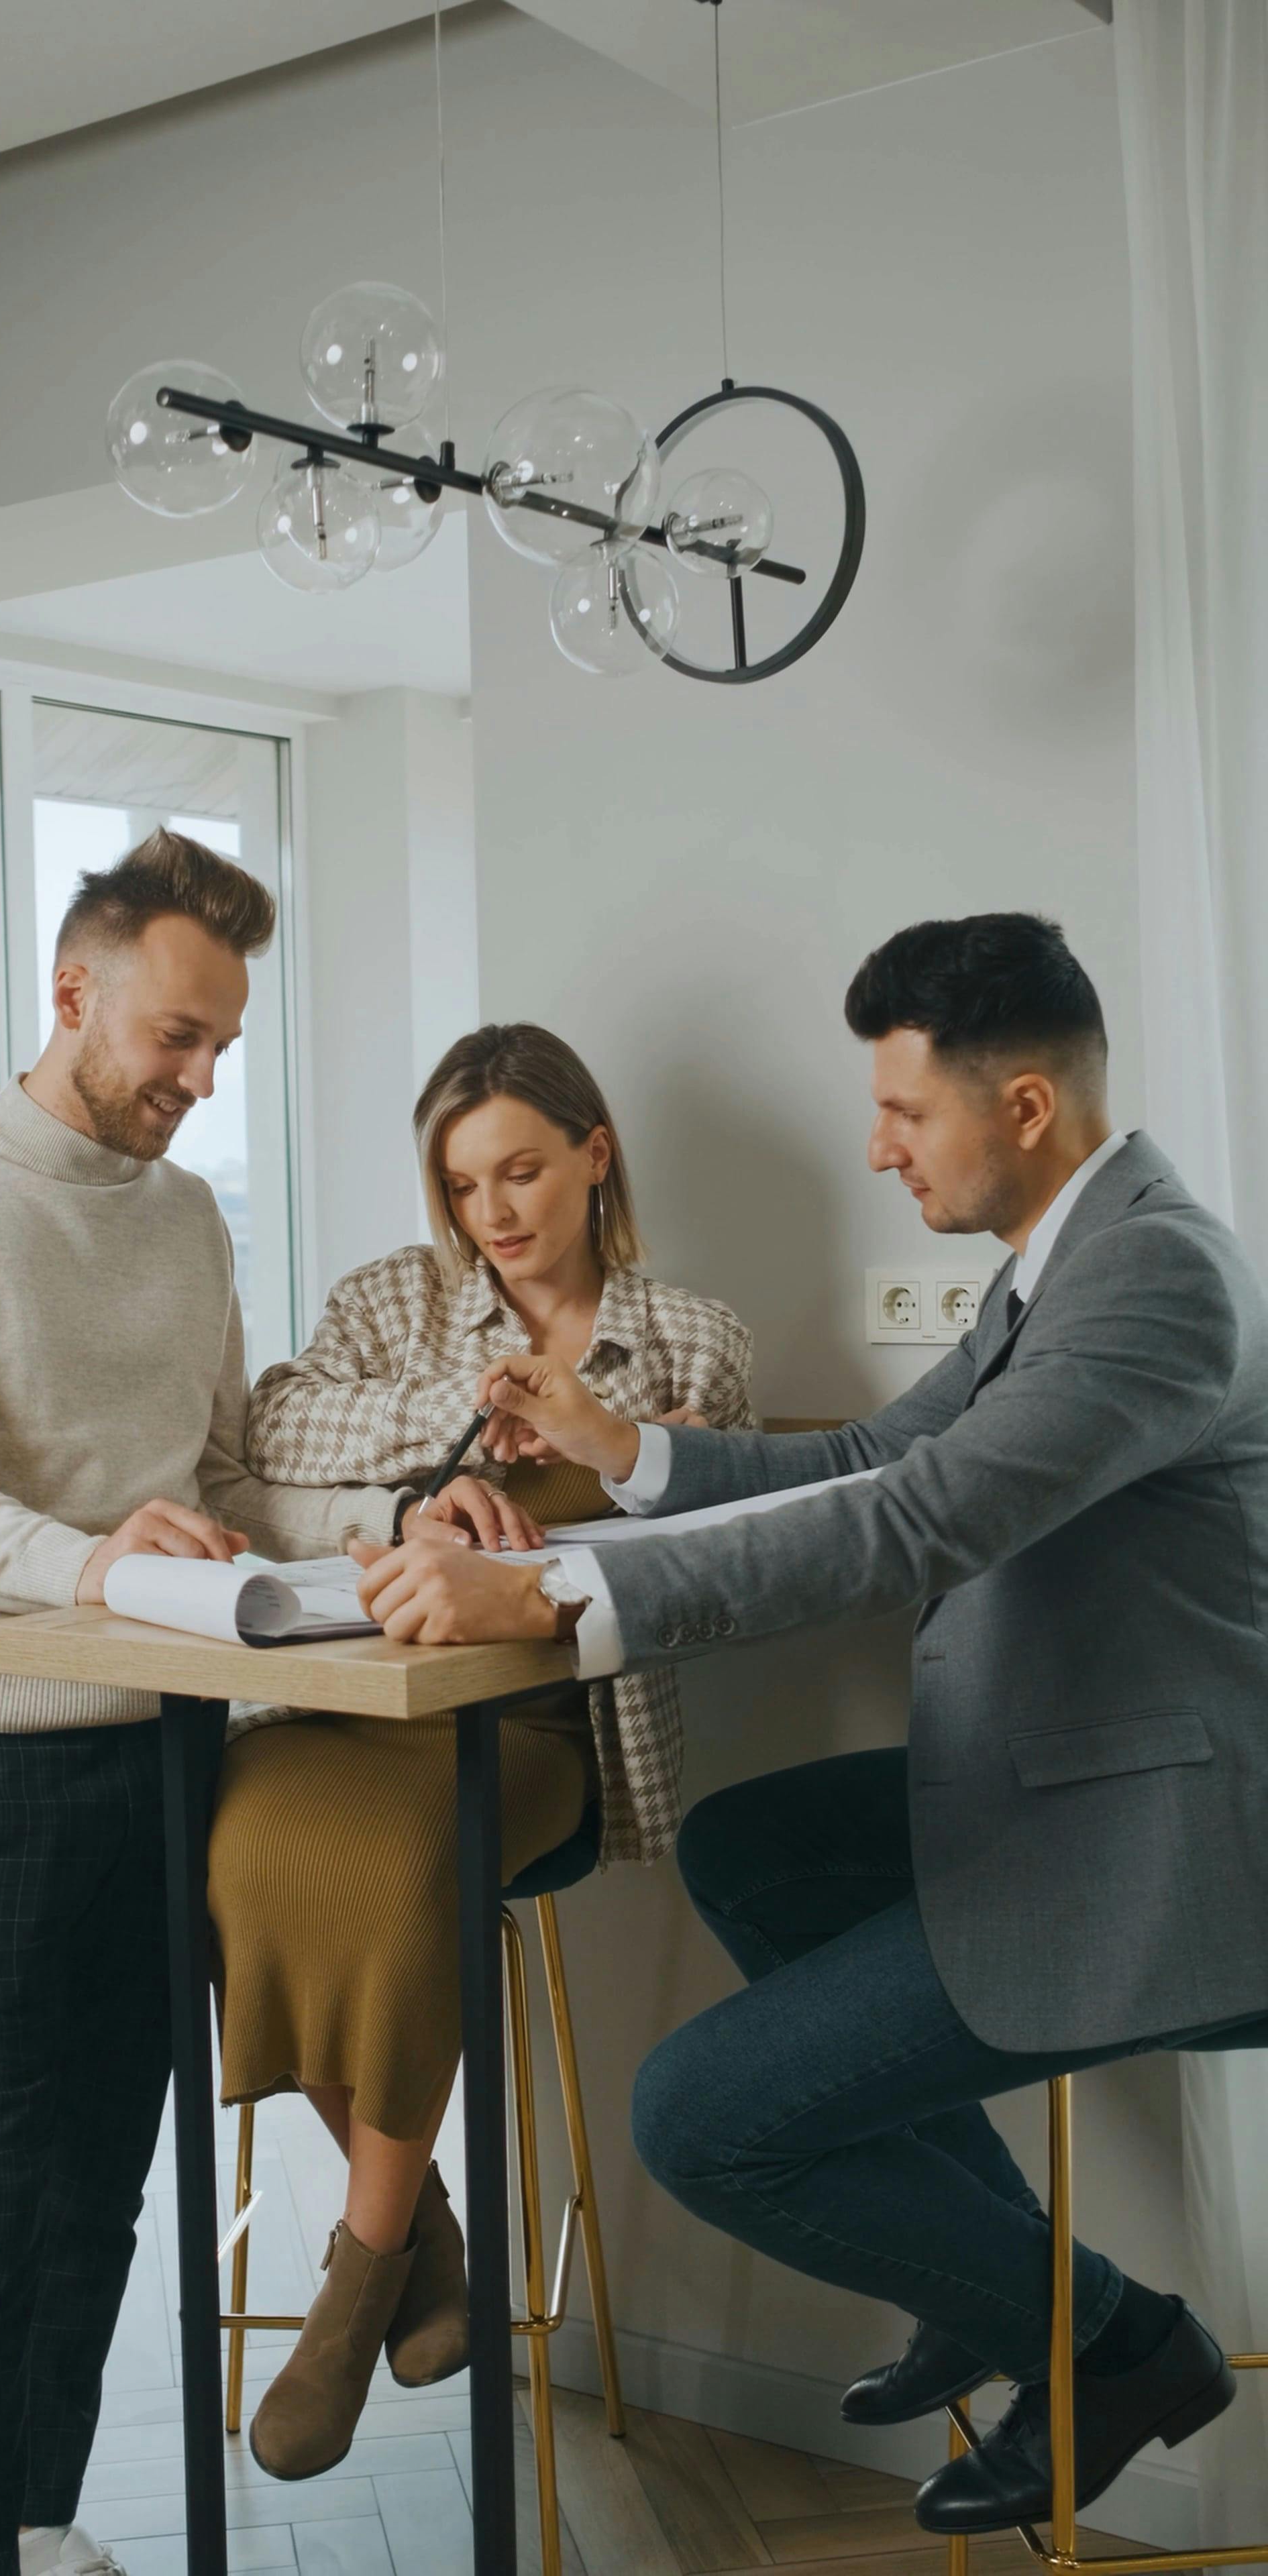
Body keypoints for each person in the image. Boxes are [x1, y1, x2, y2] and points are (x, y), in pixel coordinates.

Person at [350, 914, 1268, 2536]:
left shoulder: (1155, 1279)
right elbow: (868, 1458)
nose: (879, 1146)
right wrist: (622, 1447)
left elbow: (915, 1526)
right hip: (1059, 1779)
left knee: (698, 2118)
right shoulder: (1056, 1264)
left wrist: (559, 1601)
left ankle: (1119, 2349)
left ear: (1028, 1108)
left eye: (906, 1114)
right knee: (753, 1843)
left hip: (1159, 1845)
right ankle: (1001, 2294)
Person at [0, 834, 409, 2576]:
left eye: (224, 1045)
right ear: (73, 992)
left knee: (100, 2202)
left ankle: (34, 2532)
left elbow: (225, 1476)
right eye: (175, 1037)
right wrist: (92, 1567)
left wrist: (404, 1523)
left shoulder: (186, 1215)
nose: (200, 1078)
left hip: (171, 1754)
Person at [207, 1019, 753, 2481]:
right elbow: (272, 1431)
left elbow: (719, 1575)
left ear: (595, 1151)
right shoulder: (395, 1304)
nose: (494, 1214)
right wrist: (460, 1439)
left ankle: (350, 2287)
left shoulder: (692, 1335)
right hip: (349, 1705)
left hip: (536, 1729)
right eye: (462, 1187)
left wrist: (621, 1446)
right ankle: (422, 2234)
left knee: (400, 1868)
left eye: (521, 1172)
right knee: (232, 1850)